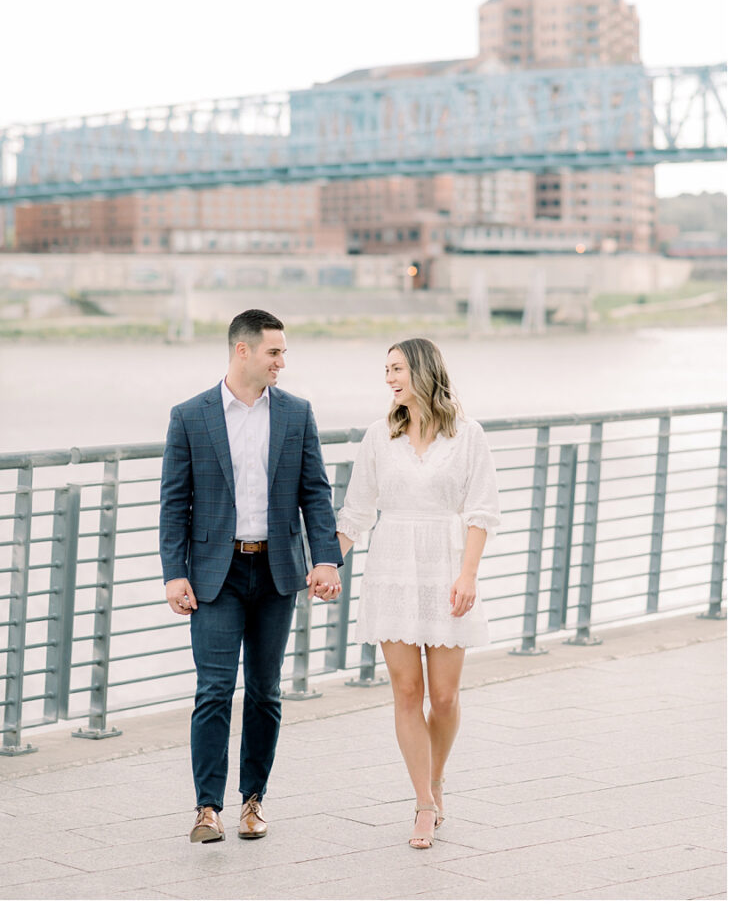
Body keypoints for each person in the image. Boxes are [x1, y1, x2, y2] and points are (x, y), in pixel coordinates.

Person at [159, 309, 344, 844]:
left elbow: (315, 491)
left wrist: (325, 558)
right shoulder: (190, 416)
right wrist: (175, 573)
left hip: (277, 570)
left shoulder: (296, 414)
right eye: (274, 352)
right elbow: (175, 502)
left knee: (265, 692)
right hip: (215, 574)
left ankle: (253, 801)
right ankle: (206, 808)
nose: (281, 362)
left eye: (283, 353)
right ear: (243, 351)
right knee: (214, 690)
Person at [333, 337, 500, 849]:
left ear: (424, 370)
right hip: (392, 570)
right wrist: (323, 565)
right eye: (386, 370)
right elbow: (357, 511)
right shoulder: (378, 436)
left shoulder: (467, 435)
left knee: (445, 698)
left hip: (447, 565)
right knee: (407, 693)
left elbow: (482, 510)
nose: (389, 379)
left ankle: (437, 777)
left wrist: (468, 575)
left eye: (397, 368)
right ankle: (424, 804)